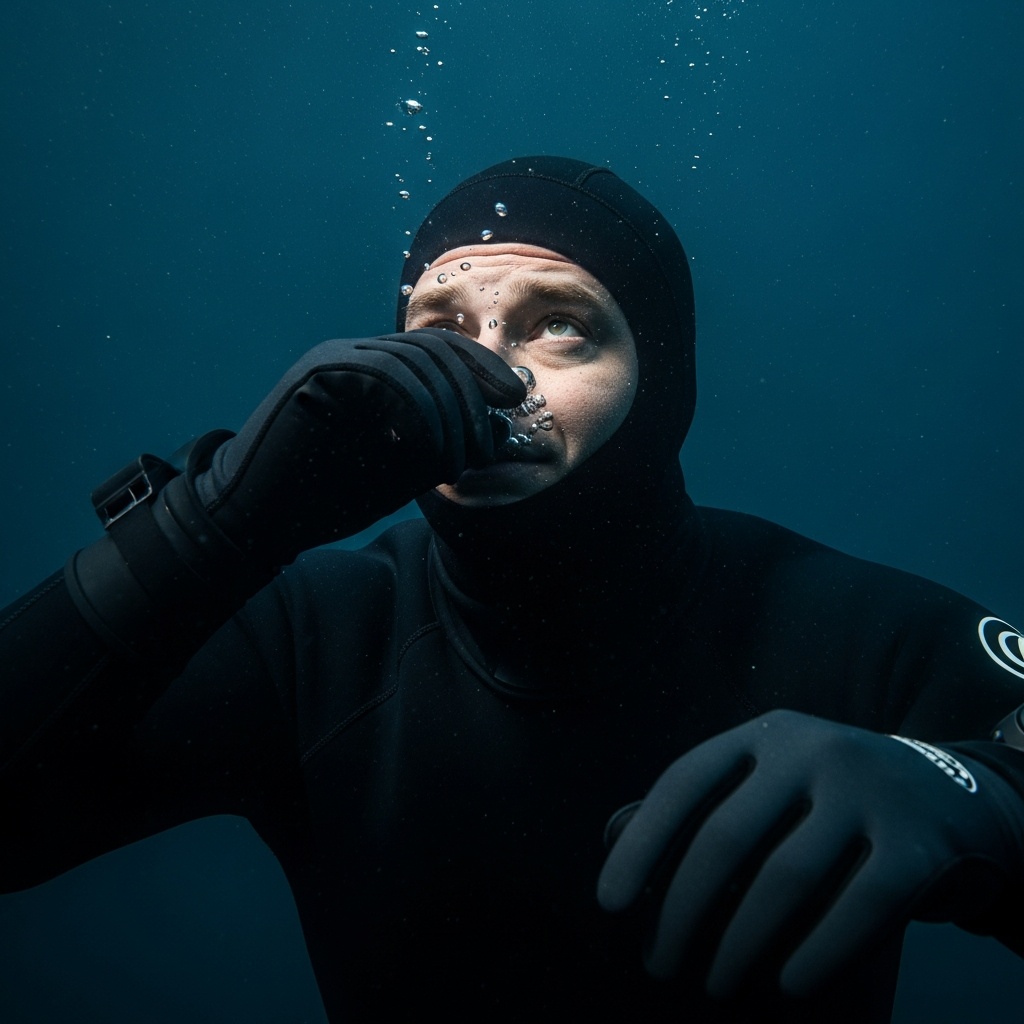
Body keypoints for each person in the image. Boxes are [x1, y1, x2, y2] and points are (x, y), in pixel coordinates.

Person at [2, 155, 1024, 1023]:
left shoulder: (855, 631)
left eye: (559, 326)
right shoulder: (310, 636)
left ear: (661, 378)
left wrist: (981, 792)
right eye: (439, 323)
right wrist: (212, 524)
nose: (487, 376)